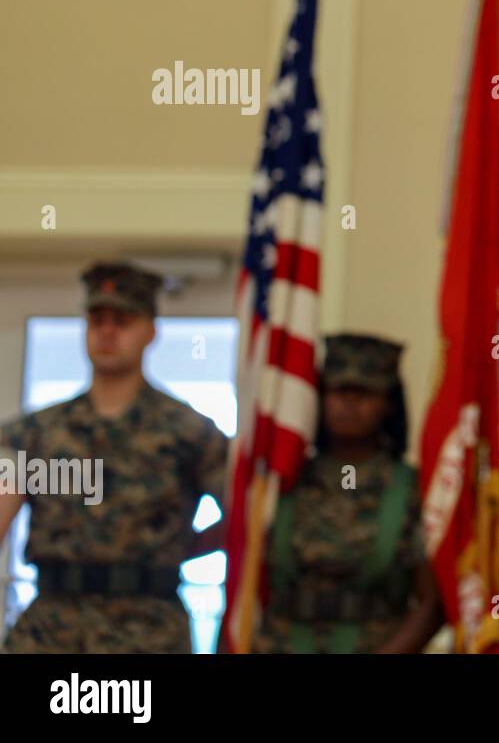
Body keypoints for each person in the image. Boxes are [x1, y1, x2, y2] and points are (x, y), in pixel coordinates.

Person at [0, 261, 227, 653]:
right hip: (52, 630)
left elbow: (246, 518)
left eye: (122, 320)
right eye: (97, 320)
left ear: (150, 331)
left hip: (148, 627)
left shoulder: (190, 432)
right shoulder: (37, 433)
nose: (107, 332)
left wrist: (185, 547)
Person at [253, 333, 440, 653]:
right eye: (339, 391)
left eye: (364, 393)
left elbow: (433, 603)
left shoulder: (413, 490)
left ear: (388, 404)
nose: (349, 405)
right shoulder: (283, 480)